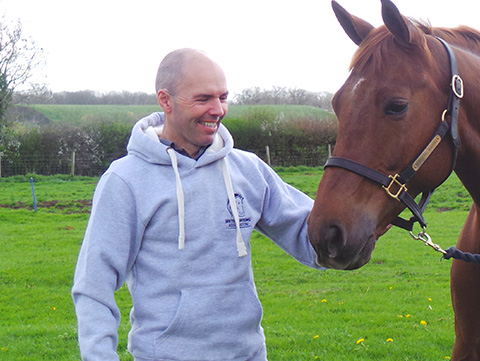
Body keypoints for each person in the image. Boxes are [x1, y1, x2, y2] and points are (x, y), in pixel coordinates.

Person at [72, 48, 322, 361]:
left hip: (247, 354)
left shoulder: (248, 170)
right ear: (166, 100)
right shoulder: (126, 179)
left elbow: (311, 237)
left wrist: (365, 219)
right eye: (204, 99)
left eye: (223, 97)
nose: (218, 109)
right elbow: (94, 285)